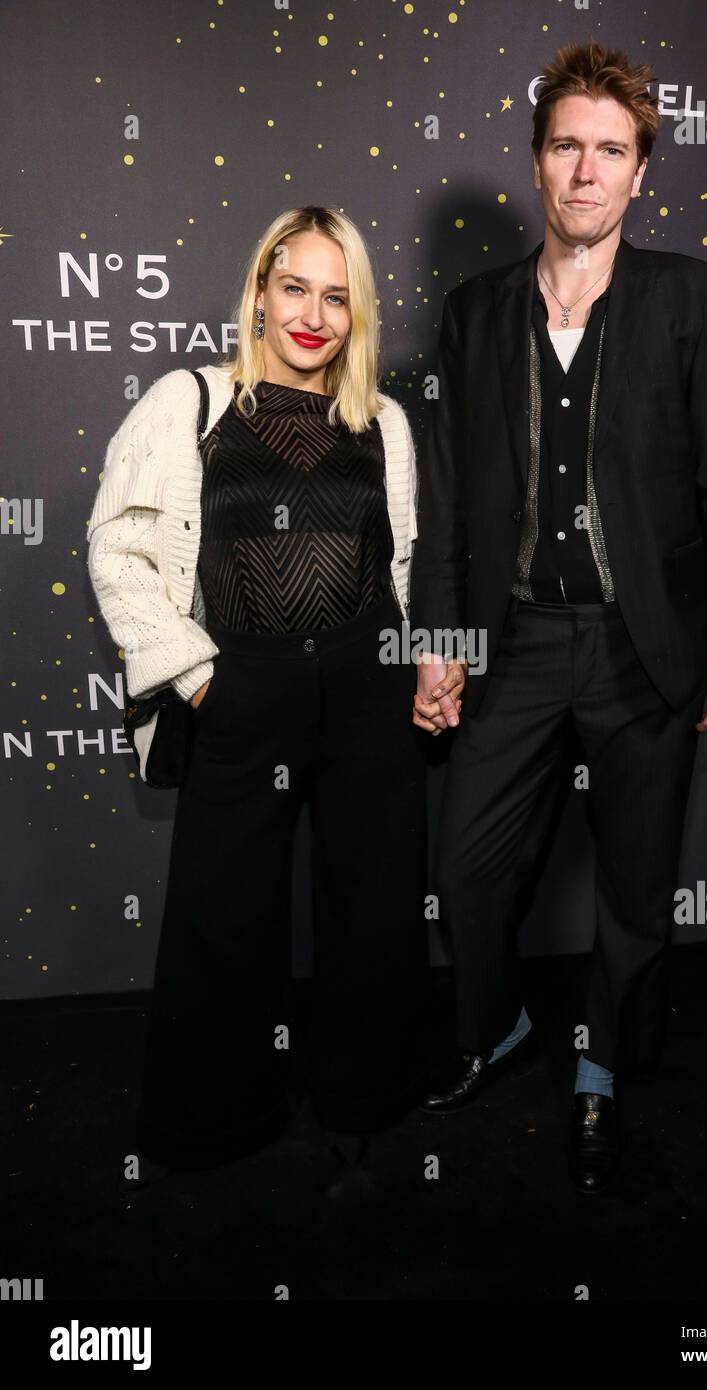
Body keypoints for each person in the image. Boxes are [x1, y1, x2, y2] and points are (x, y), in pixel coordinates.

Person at [409, 41, 707, 1193]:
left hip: (642, 643)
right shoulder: (474, 314)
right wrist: (443, 644)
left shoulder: (686, 296)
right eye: (565, 145)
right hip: (511, 641)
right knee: (465, 871)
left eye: (608, 150)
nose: (584, 170)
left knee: (633, 882)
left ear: (638, 173)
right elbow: (453, 494)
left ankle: (602, 1068)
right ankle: (500, 1024)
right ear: (534, 162)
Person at [87, 206, 427, 1194]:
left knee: (370, 909)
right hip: (240, 682)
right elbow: (119, 549)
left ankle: (363, 1098)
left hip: (366, 685)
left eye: (335, 295)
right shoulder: (188, 402)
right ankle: (212, 1121)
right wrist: (195, 672)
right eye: (295, 288)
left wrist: (426, 661)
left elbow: (403, 564)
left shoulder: (385, 423)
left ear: (354, 311)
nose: (313, 314)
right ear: (260, 293)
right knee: (222, 915)